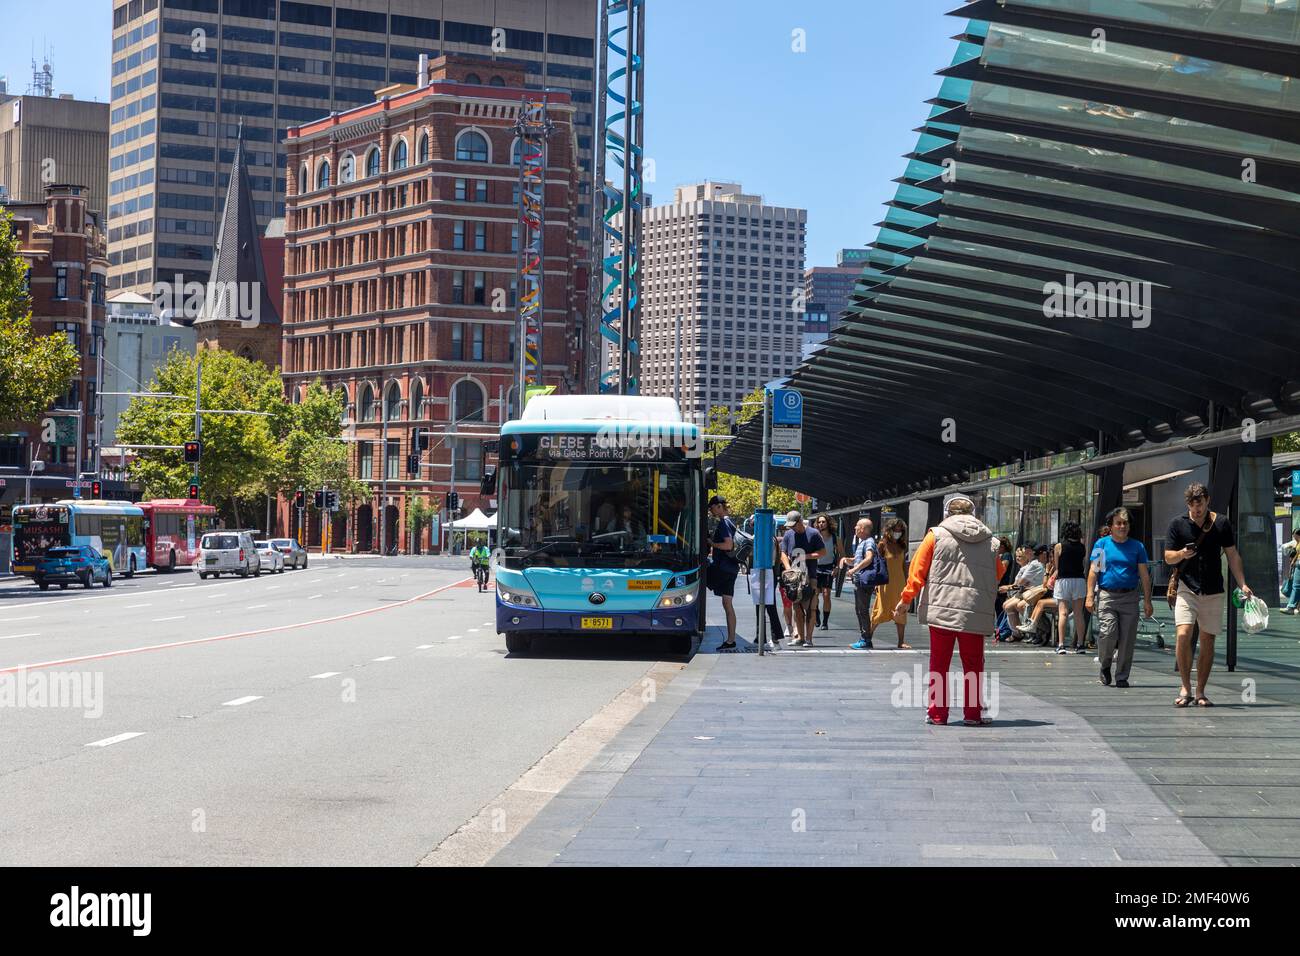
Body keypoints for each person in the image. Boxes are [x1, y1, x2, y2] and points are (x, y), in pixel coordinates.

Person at [893, 494, 1005, 726]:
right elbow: (997, 573)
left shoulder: (936, 535)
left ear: (947, 514)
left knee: (939, 662)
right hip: (974, 610)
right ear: (973, 515)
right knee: (974, 664)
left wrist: (906, 600)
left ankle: (937, 714)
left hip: (942, 608)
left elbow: (918, 571)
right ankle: (973, 715)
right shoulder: (991, 541)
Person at [1163, 482, 1252, 707]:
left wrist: (1242, 584)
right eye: (1193, 507)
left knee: (1207, 640)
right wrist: (1182, 553)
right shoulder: (1177, 524)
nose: (1197, 510)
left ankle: (1200, 690)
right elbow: (1167, 557)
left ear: (1207, 501)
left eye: (1200, 505)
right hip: (1186, 587)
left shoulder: (1221, 523)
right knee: (1183, 633)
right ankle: (1185, 687)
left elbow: (1232, 555)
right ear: (1187, 505)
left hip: (1213, 589)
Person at [1086, 507, 1154, 688]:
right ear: (1111, 526)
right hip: (1107, 596)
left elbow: (1144, 575)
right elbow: (1094, 572)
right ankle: (1105, 664)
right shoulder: (1102, 545)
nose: (1122, 526)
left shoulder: (1137, 547)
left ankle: (1122, 676)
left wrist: (1148, 601)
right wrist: (1089, 596)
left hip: (1130, 597)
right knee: (1108, 633)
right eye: (1119, 523)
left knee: (1127, 639)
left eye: (1125, 523)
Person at [781, 511, 825, 646]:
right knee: (797, 607)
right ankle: (800, 637)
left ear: (800, 521)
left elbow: (822, 552)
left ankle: (809, 638)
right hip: (794, 578)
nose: (792, 528)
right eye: (790, 526)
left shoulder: (813, 533)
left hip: (810, 576)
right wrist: (788, 568)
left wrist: (805, 556)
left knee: (810, 608)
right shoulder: (788, 535)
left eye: (794, 525)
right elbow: (783, 553)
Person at [871, 517, 911, 649]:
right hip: (885, 583)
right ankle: (867, 637)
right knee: (880, 610)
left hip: (899, 583)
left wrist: (907, 583)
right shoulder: (882, 545)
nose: (898, 532)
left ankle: (901, 641)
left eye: (900, 530)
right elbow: (876, 564)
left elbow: (904, 566)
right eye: (895, 529)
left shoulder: (902, 546)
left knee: (901, 612)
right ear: (889, 530)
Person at [708, 496, 741, 650]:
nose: (711, 510)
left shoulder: (724, 523)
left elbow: (728, 545)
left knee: (699, 577)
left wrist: (712, 543)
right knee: (727, 603)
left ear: (719, 506)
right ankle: (731, 640)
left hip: (723, 568)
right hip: (732, 568)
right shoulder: (731, 522)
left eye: (712, 507)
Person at [839, 518, 877, 649]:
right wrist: (847, 560)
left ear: (862, 529)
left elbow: (869, 558)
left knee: (863, 610)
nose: (855, 528)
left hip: (864, 582)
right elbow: (857, 559)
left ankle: (866, 639)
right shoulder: (863, 542)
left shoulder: (869, 542)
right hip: (859, 581)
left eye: (856, 526)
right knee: (860, 610)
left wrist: (854, 569)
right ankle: (864, 637)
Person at [1051, 522, 1088, 654]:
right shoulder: (1082, 547)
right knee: (1078, 613)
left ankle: (1061, 645)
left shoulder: (1059, 546)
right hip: (1079, 580)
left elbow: (1057, 567)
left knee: (1063, 613)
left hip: (1064, 580)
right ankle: (1080, 644)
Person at [748, 533, 784, 650]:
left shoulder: (765, 537)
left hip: (766, 571)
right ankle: (764, 637)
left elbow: (765, 556)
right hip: (766, 571)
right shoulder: (768, 537)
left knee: (767, 605)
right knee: (764, 605)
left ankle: (771, 637)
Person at [1000, 547, 1044, 636]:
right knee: (1006, 605)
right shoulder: (1024, 567)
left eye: (1020, 556)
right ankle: (1018, 631)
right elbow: (1020, 584)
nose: (1018, 558)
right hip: (1024, 592)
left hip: (1029, 593)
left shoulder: (1031, 566)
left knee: (1010, 606)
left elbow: (1020, 584)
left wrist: (1008, 588)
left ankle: (1020, 633)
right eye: (1017, 556)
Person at [811, 515, 842, 630]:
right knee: (815, 594)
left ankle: (825, 622)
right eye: (819, 522)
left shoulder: (835, 538)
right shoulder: (815, 537)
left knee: (826, 595)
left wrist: (837, 567)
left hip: (829, 568)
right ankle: (817, 616)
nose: (821, 524)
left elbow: (841, 554)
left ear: (828, 523)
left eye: (823, 522)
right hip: (816, 568)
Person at [992, 536, 1016, 642]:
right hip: (1000, 585)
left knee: (1000, 608)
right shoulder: (1003, 555)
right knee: (998, 608)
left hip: (1003, 585)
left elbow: (1003, 568)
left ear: (1002, 546)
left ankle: (1003, 630)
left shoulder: (1006, 555)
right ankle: (1000, 629)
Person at [1282, 528, 1300, 615]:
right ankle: (1293, 606)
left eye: (1296, 537)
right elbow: (1297, 553)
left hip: (1299, 565)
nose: (1295, 538)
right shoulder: (1297, 543)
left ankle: (1292, 606)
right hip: (1297, 565)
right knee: (1296, 586)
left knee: (1296, 586)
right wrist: (1293, 561)